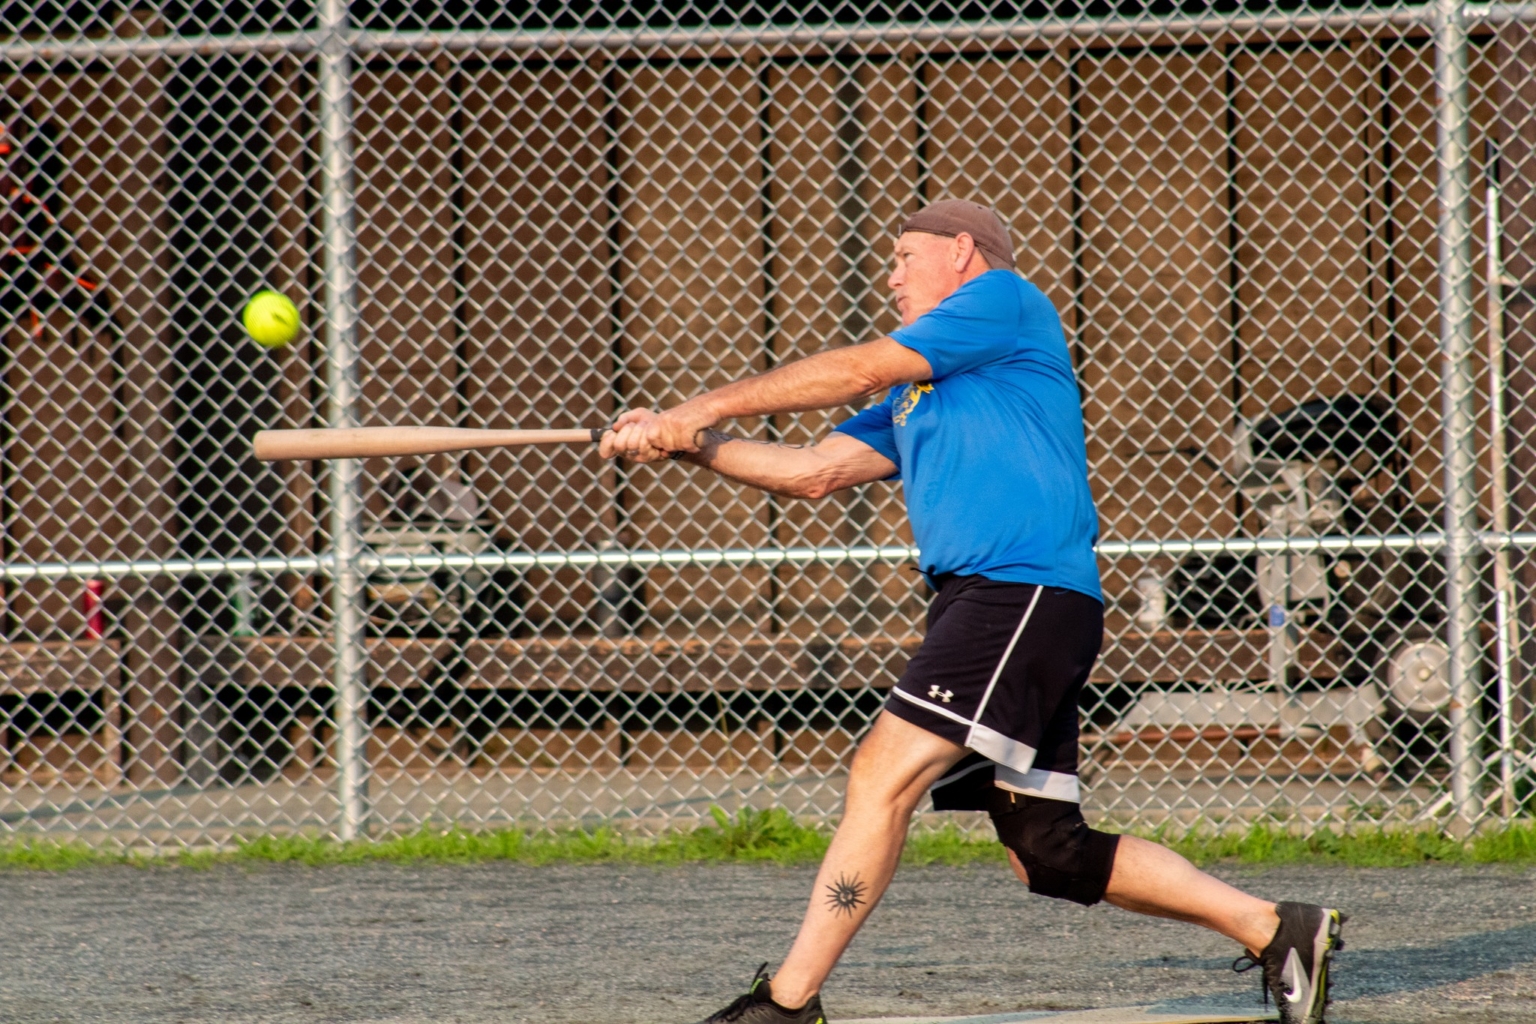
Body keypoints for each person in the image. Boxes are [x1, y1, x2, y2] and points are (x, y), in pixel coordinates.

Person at [599, 199, 1346, 1024]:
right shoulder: (924, 387)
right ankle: (1276, 927)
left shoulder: (1001, 301)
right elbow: (811, 470)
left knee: (880, 777)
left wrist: (700, 406)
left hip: (1016, 591)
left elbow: (856, 369)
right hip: (1001, 602)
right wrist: (683, 445)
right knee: (1048, 853)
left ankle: (787, 1003)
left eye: (902, 257)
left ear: (961, 251)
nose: (889, 276)